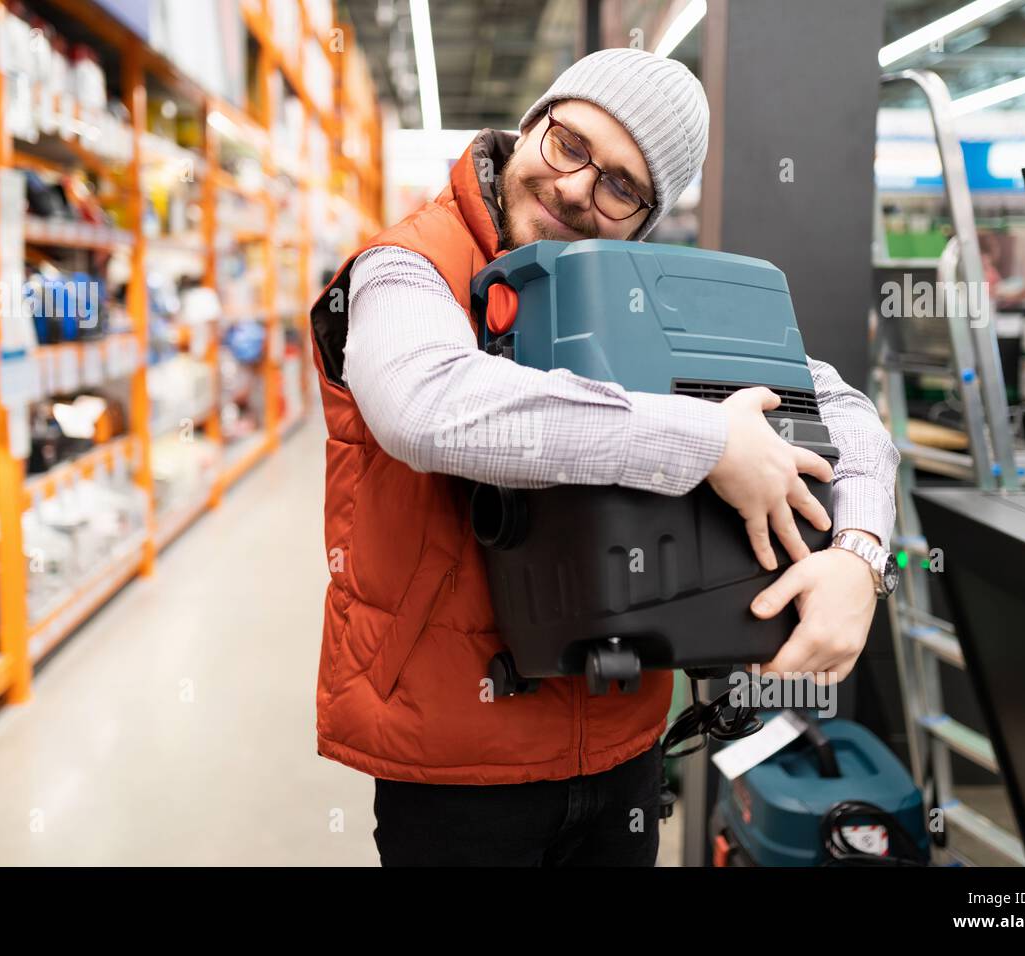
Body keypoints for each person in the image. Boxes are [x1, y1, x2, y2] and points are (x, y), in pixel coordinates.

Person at [308, 47, 901, 866]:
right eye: (570, 144)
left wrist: (862, 557)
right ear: (529, 127)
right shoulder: (406, 265)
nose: (578, 189)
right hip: (456, 768)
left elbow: (841, 407)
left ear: (646, 219)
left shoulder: (638, 287)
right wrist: (705, 441)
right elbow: (427, 408)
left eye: (623, 187)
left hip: (624, 746)